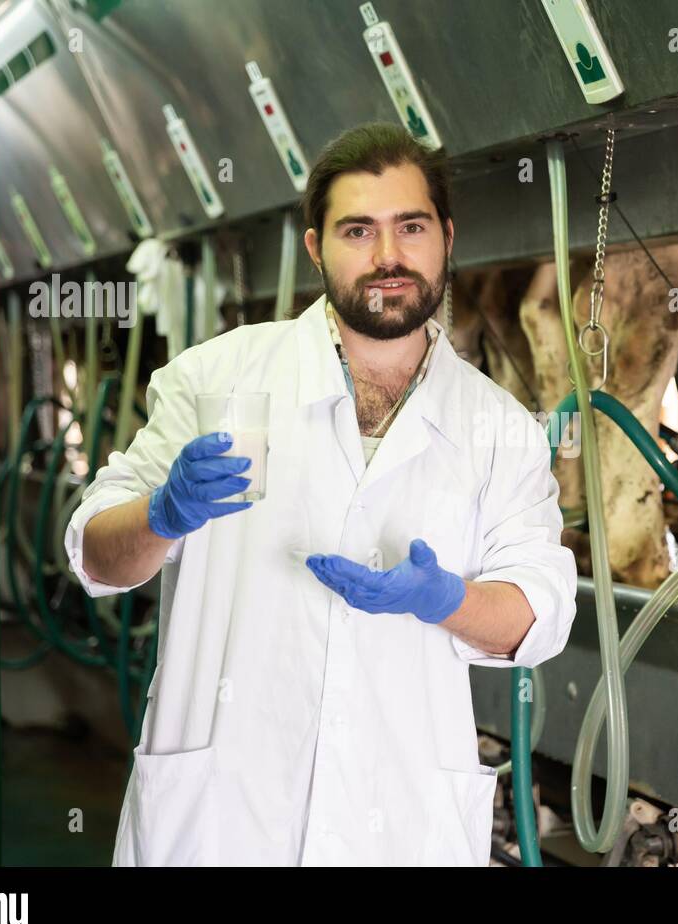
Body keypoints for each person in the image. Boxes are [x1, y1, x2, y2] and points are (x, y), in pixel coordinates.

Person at [65, 122, 577, 866]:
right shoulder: (215, 381)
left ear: (446, 237)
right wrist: (160, 515)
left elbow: (539, 617)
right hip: (223, 824)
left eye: (410, 227)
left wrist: (442, 600)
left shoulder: (498, 427)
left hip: (399, 829)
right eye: (357, 230)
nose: (388, 256)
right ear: (315, 247)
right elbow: (98, 557)